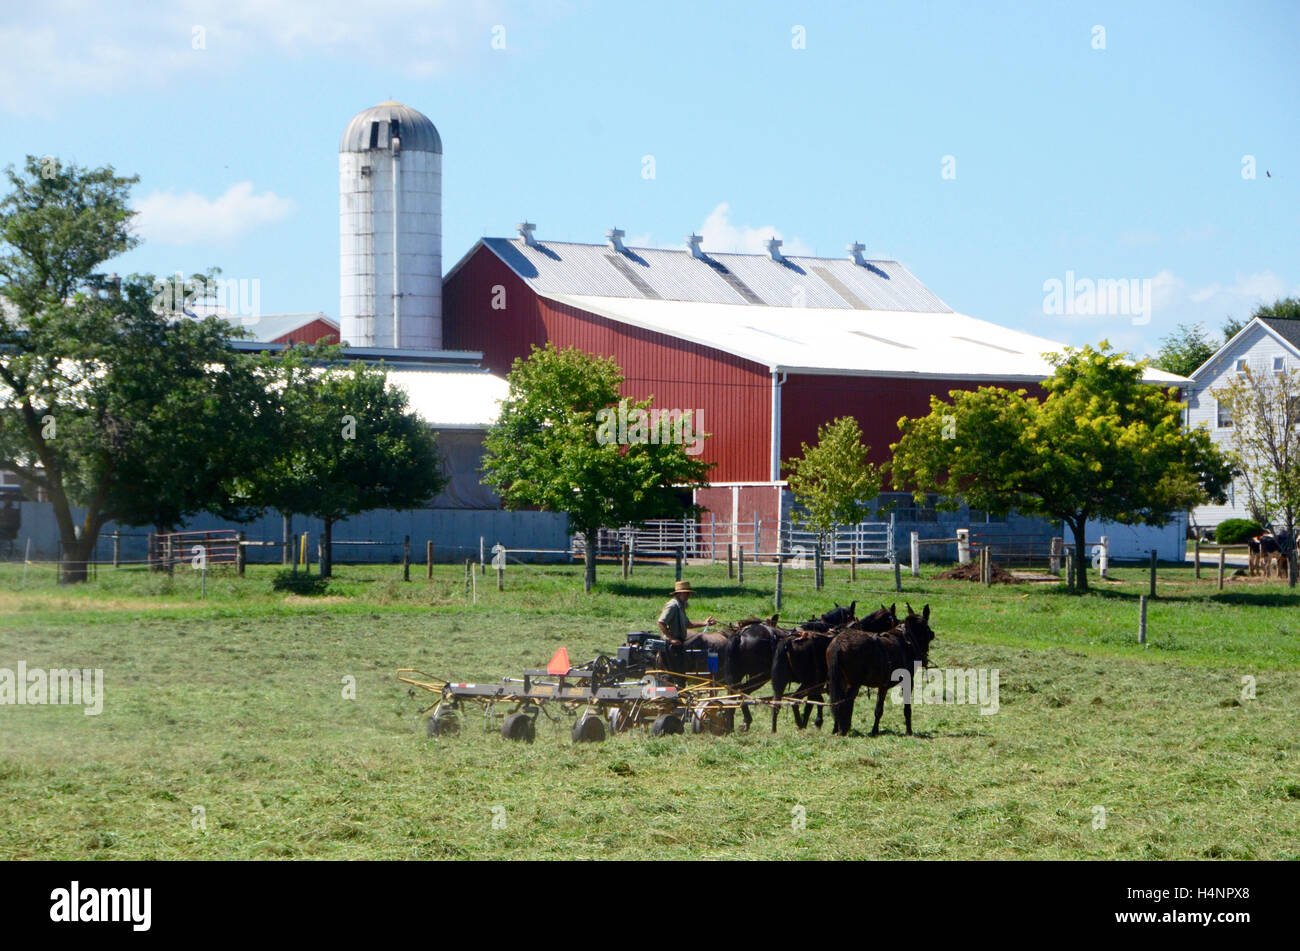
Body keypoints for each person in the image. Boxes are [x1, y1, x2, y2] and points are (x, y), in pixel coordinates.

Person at [657, 580, 715, 645]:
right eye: (686, 593)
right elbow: (661, 623)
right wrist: (671, 639)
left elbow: (688, 624)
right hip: (670, 644)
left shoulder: (681, 606)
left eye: (689, 593)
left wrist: (704, 623)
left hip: (679, 641)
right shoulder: (672, 606)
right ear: (679, 594)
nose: (689, 595)